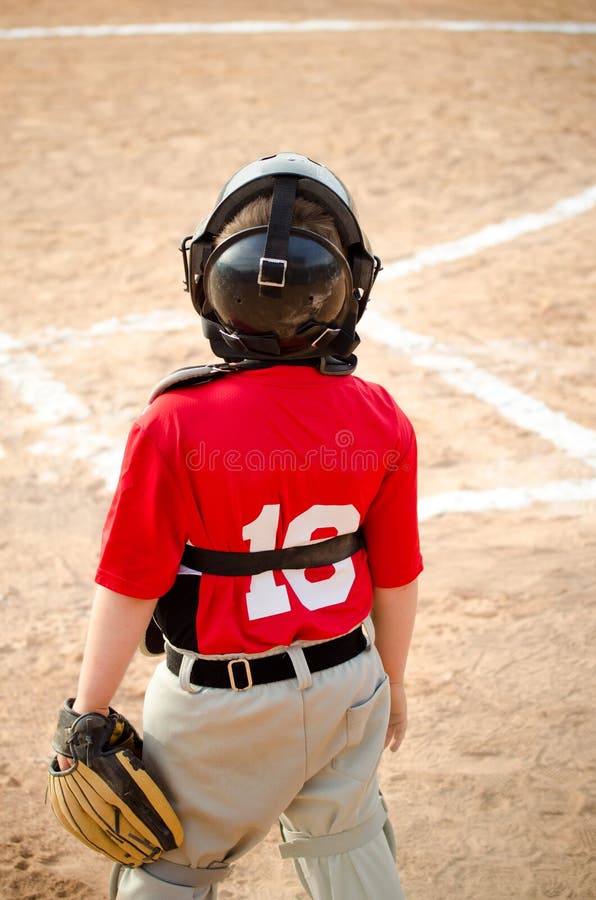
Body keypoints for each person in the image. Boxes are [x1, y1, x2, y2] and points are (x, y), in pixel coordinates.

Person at [56, 153, 422, 899]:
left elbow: (130, 584)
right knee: (351, 849)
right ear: (347, 292)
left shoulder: (174, 423)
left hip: (218, 707)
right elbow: (396, 574)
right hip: (349, 681)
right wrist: (394, 680)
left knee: (169, 870)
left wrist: (88, 711)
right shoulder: (379, 414)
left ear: (212, 286)